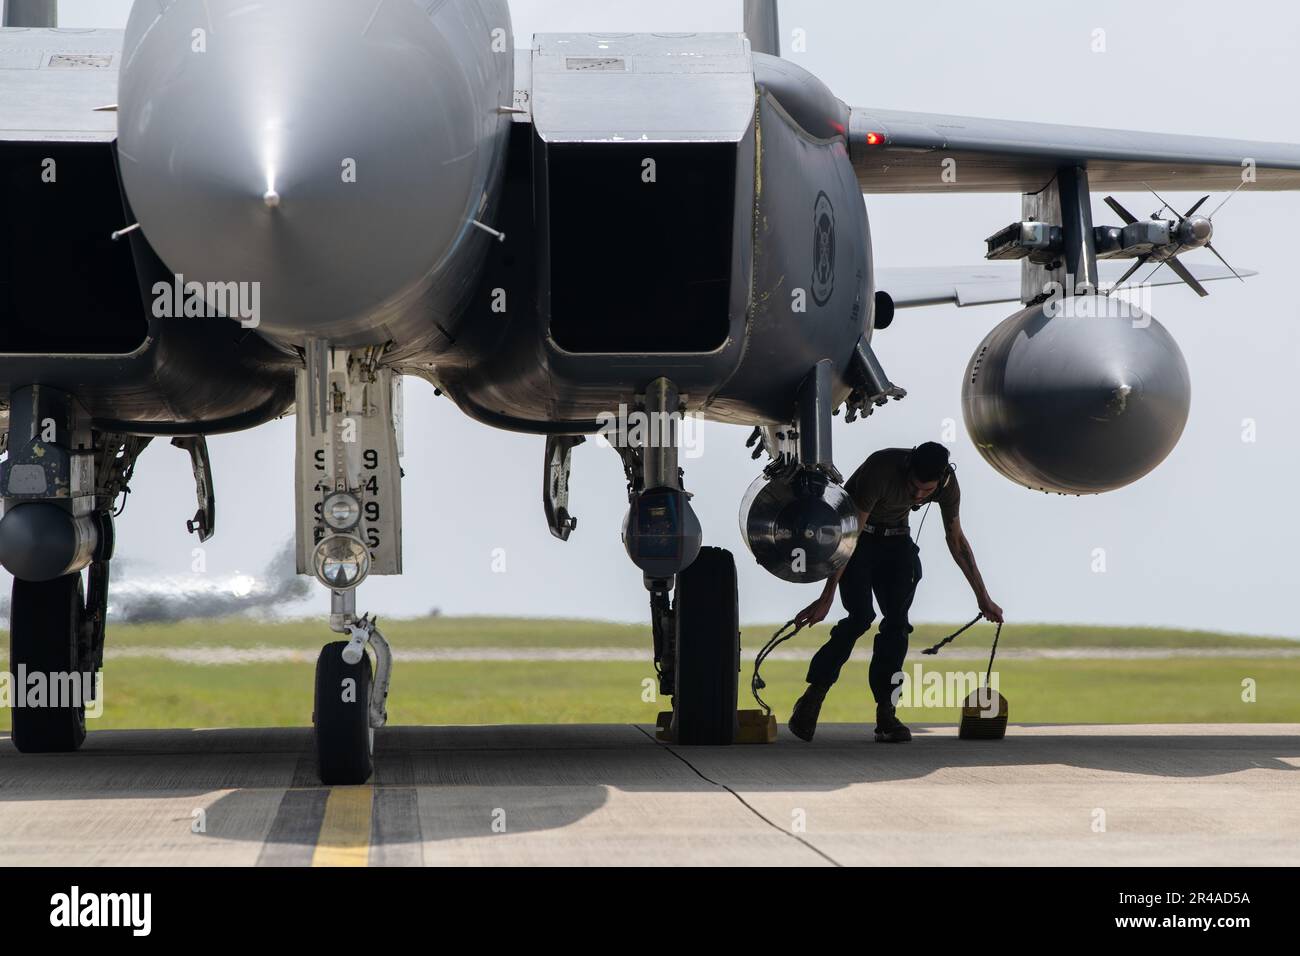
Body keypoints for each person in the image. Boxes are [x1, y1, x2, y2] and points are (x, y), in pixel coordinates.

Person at [790, 442, 1003, 743]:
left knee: (897, 625)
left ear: (940, 480)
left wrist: (983, 596)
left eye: (926, 491)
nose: (917, 496)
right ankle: (813, 697)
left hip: (897, 541)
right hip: (858, 540)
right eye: (914, 487)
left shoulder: (948, 486)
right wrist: (826, 597)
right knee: (860, 617)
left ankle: (886, 713)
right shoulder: (881, 470)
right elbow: (850, 536)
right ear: (907, 469)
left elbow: (956, 540)